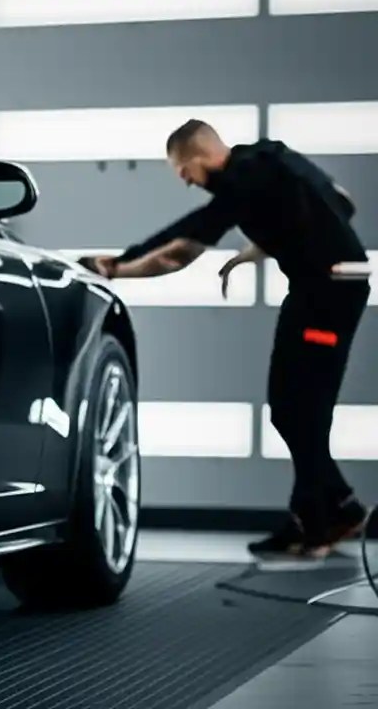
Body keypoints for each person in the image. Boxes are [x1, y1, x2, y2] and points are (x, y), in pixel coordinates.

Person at [81, 119, 371, 559]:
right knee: (293, 409)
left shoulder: (239, 179)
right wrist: (262, 247)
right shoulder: (272, 157)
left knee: (300, 409)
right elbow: (343, 204)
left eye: (183, 171)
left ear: (201, 157)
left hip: (327, 289)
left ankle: (326, 518)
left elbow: (179, 250)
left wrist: (117, 268)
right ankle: (324, 511)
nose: (185, 182)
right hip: (326, 286)